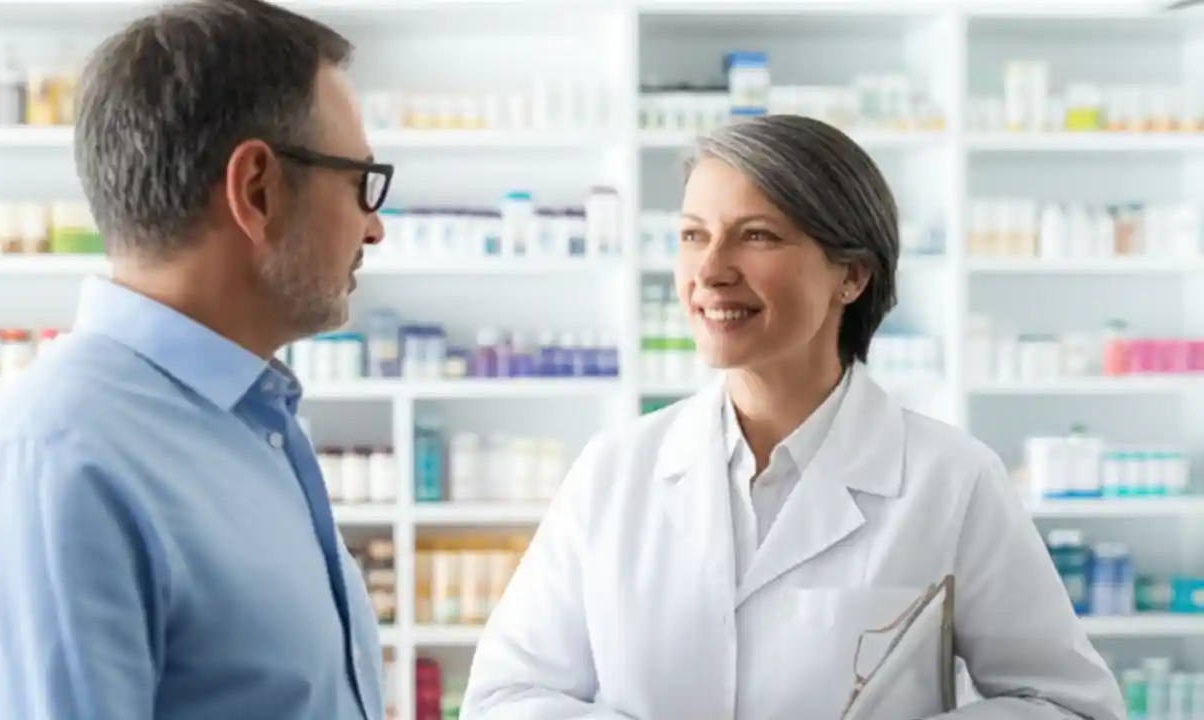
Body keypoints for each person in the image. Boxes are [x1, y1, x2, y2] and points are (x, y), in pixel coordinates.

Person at [463, 115, 1124, 719]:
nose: (711, 270)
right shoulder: (616, 470)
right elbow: (507, 697)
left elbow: (1070, 706)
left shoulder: (952, 480)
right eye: (693, 235)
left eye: (757, 236)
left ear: (852, 276)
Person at [0, 1, 391, 718]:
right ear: (256, 190)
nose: (375, 226)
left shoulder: (250, 424)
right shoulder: (56, 464)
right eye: (361, 183)